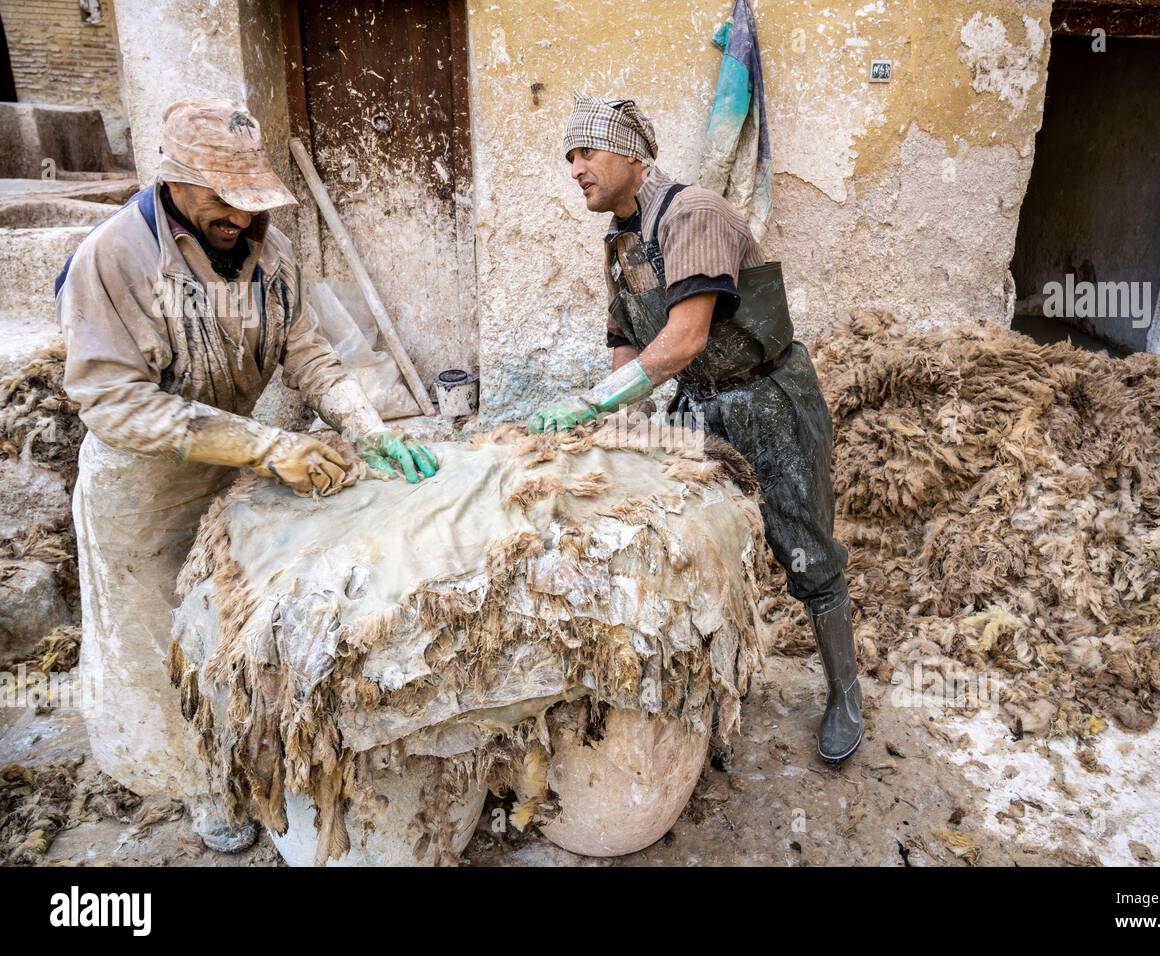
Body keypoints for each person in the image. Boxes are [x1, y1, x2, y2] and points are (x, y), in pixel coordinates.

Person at [56, 98, 437, 851]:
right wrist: (268, 447)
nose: (237, 215)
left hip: (231, 471)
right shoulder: (114, 258)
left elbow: (309, 355)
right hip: (143, 489)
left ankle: (254, 759)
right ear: (173, 183)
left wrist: (365, 426)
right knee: (162, 648)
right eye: (218, 199)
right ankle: (202, 789)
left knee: (228, 633)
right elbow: (112, 400)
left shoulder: (273, 252)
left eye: (248, 197)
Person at [528, 93, 861, 764]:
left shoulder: (695, 214)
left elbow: (682, 340)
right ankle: (711, 681)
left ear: (630, 154)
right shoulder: (620, 244)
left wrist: (589, 404)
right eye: (569, 157)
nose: (575, 169)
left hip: (768, 399)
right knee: (688, 540)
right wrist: (617, 431)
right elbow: (629, 346)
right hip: (701, 404)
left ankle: (845, 695)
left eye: (586, 152)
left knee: (804, 548)